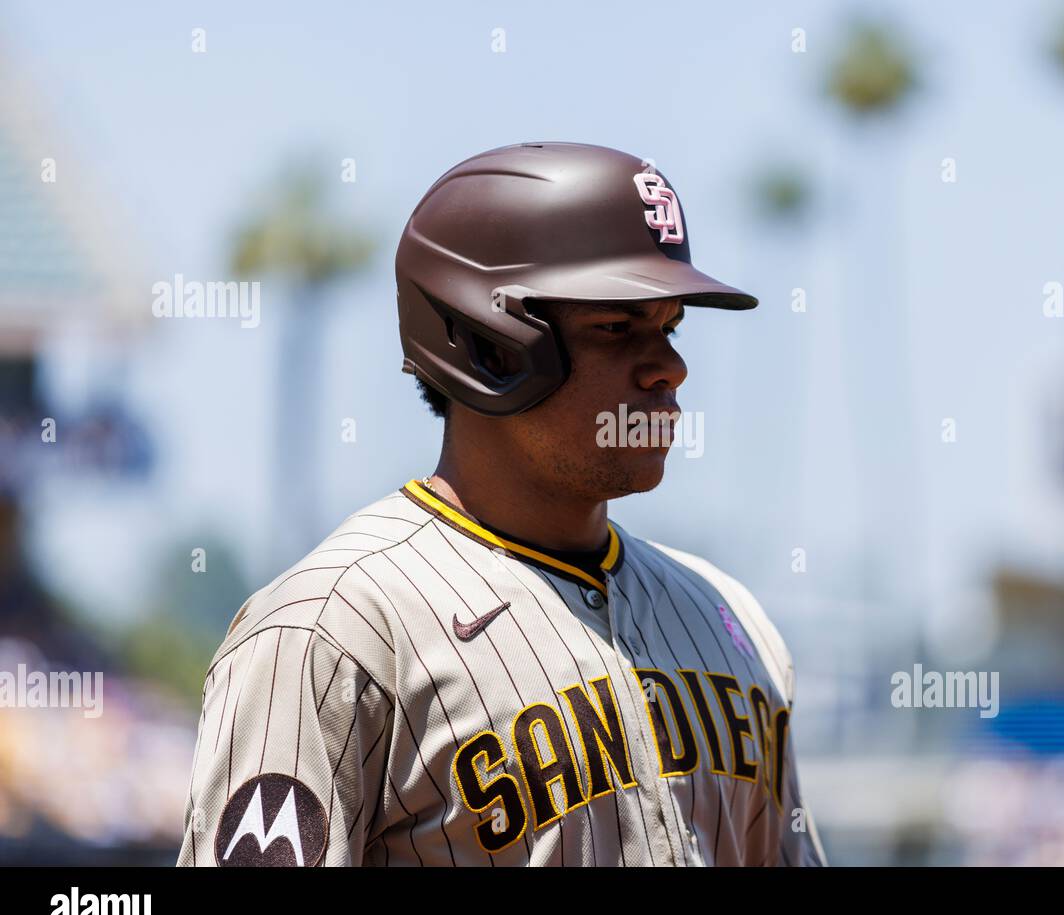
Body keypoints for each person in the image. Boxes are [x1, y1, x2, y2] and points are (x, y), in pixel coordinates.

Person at [176, 142, 827, 866]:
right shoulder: (334, 632)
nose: (669, 366)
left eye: (669, 325)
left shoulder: (731, 621)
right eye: (617, 327)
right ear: (486, 345)